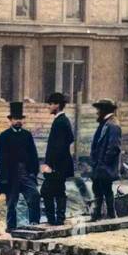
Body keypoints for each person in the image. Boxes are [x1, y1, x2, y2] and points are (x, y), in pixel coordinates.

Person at [0, 101, 41, 232]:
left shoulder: (27, 135)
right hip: (11, 175)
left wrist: (33, 172)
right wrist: (3, 177)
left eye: (20, 118)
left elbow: (33, 154)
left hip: (25, 173)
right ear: (10, 120)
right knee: (11, 203)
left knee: (34, 196)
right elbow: (0, 158)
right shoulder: (4, 136)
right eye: (15, 119)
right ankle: (11, 228)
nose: (18, 121)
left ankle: (34, 223)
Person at [41, 92, 75, 226]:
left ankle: (53, 220)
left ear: (57, 105)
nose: (48, 107)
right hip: (62, 164)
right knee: (59, 190)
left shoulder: (60, 122)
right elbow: (70, 139)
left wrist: (50, 165)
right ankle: (59, 219)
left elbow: (58, 147)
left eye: (50, 104)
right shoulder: (63, 120)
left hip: (57, 165)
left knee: (46, 191)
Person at [89, 99, 123, 221]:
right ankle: (97, 214)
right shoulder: (105, 123)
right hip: (99, 165)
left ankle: (111, 215)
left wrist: (104, 163)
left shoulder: (113, 125)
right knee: (97, 188)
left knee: (106, 189)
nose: (97, 112)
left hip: (105, 166)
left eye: (98, 109)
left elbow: (114, 148)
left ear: (104, 110)